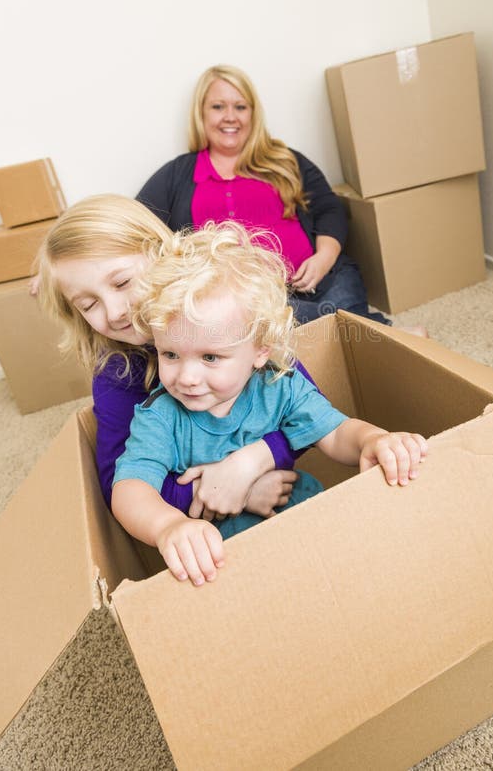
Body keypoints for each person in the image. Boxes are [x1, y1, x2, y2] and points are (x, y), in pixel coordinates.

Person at [113, 221, 428, 586]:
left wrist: (373, 440)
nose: (186, 377)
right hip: (229, 564)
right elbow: (130, 489)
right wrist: (168, 525)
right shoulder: (160, 416)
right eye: (170, 354)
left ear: (260, 351)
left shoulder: (281, 385)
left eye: (211, 358)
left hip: (309, 520)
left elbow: (337, 432)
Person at [36, 194, 320, 525]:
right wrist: (227, 489)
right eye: (89, 305)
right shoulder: (116, 373)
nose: (114, 312)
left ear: (160, 252)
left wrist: (252, 463)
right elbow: (118, 484)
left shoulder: (216, 304)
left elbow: (313, 408)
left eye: (123, 282)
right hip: (203, 523)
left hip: (279, 481)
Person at [137, 64, 421, 329]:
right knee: (326, 328)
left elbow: (328, 208)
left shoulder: (285, 160)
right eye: (218, 107)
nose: (230, 116)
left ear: (253, 114)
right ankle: (385, 335)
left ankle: (374, 335)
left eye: (240, 107)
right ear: (201, 114)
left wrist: (324, 257)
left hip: (325, 281)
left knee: (344, 321)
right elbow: (135, 226)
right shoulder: (177, 175)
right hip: (250, 305)